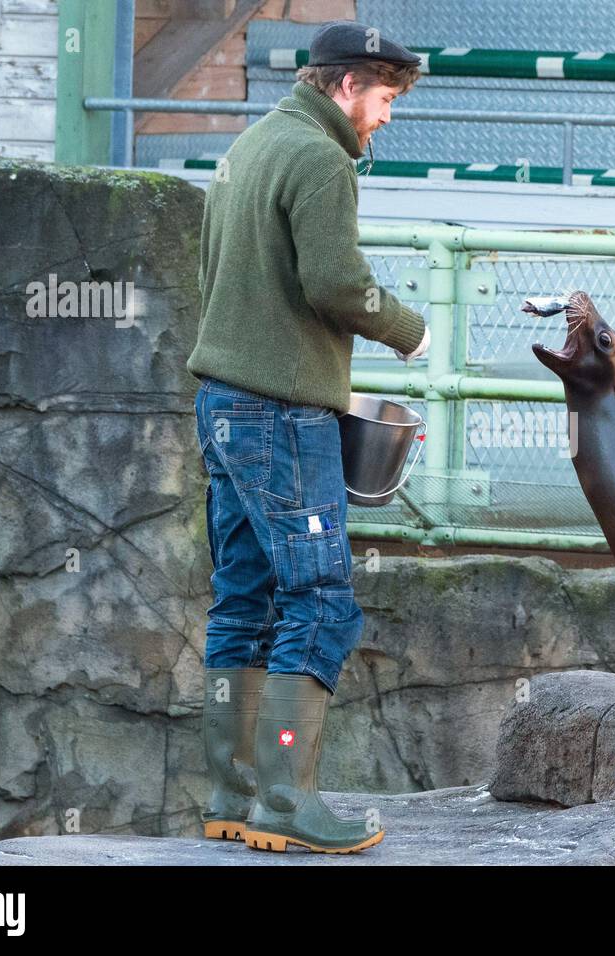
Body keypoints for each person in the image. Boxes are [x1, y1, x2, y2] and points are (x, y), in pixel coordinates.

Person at [184, 20, 427, 854]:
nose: (387, 117)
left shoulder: (251, 145)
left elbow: (242, 280)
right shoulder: (321, 160)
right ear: (347, 84)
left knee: (243, 598)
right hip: (280, 416)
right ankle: (287, 799)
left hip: (224, 403)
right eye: (386, 98)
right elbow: (334, 283)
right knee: (319, 597)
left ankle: (232, 792)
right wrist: (407, 329)